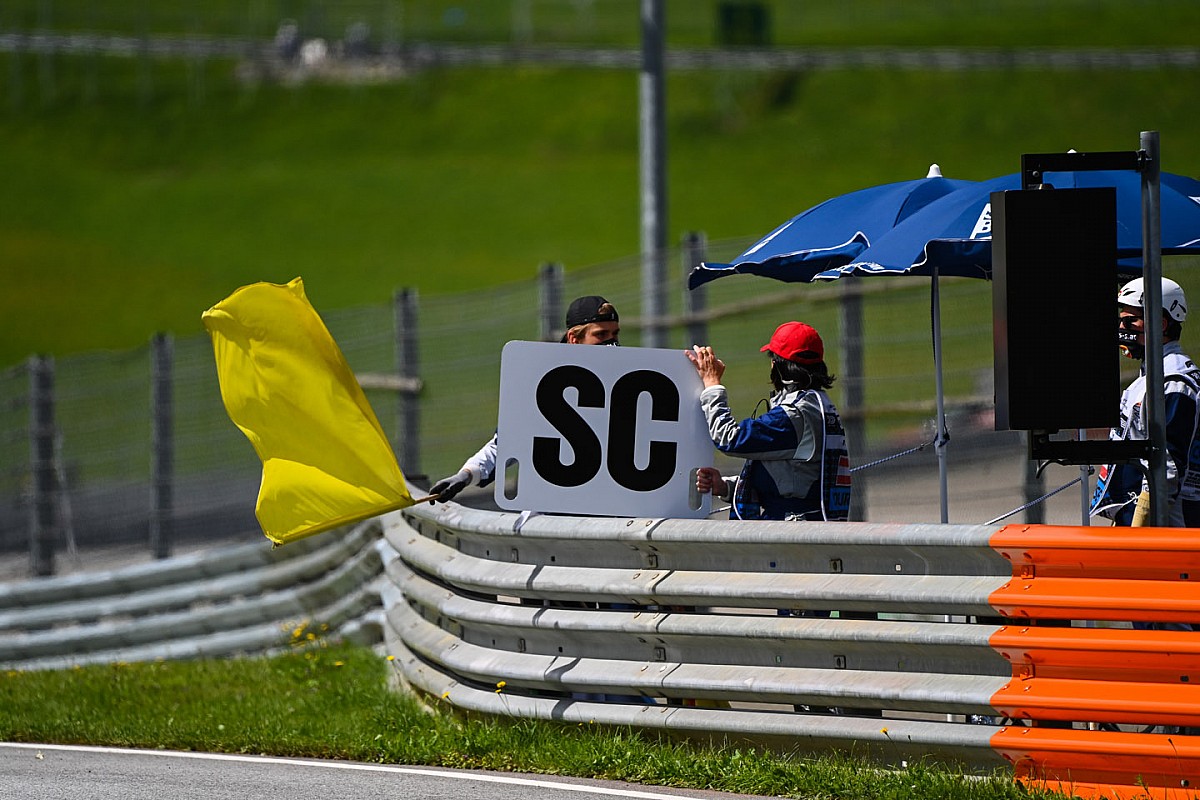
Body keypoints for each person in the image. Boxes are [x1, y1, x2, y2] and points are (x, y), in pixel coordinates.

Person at [428, 295, 620, 504]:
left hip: (610, 511)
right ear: (574, 338)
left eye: (615, 334)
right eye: (601, 335)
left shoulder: (633, 380)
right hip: (549, 514)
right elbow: (503, 445)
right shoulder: (540, 384)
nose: (612, 342)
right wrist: (465, 476)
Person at [687, 321, 852, 522]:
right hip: (810, 525)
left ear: (780, 366)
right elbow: (794, 479)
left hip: (793, 533)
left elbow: (730, 439)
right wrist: (725, 487)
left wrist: (712, 385)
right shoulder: (819, 404)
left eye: (773, 359)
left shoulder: (796, 414)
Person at [1091, 277, 1200, 528]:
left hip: (1168, 528)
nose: (1121, 327)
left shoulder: (1173, 381)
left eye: (1130, 321)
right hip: (1143, 523)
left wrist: (1140, 525)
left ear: (1160, 324)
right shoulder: (1151, 375)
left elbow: (1167, 466)